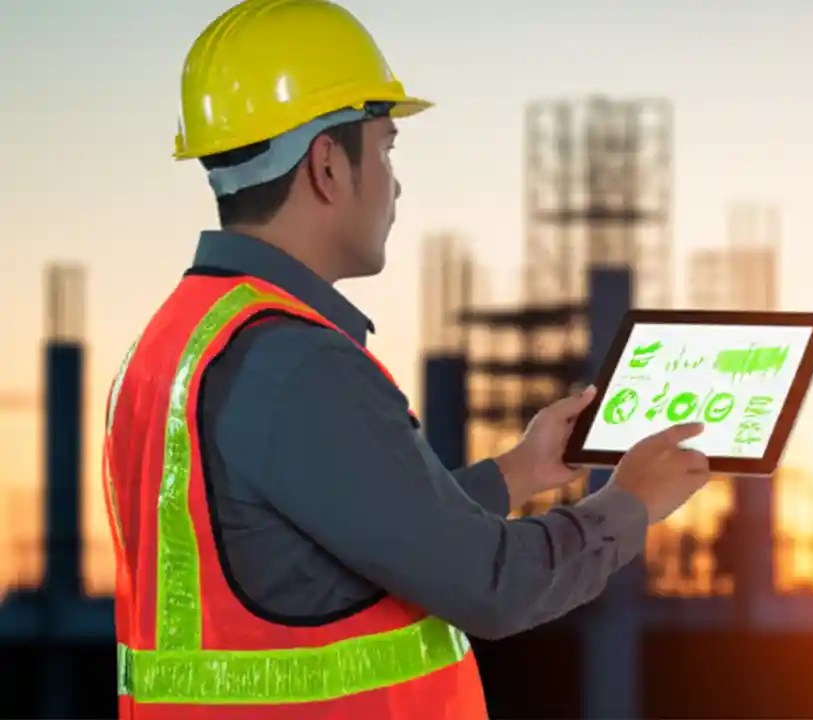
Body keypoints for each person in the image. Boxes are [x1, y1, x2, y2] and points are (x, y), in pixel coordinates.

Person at [99, 1, 712, 718]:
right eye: (387, 148)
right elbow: (495, 585)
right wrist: (630, 503)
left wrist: (518, 473)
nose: (396, 183)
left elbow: (332, 540)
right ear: (329, 165)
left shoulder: (177, 343)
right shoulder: (297, 366)